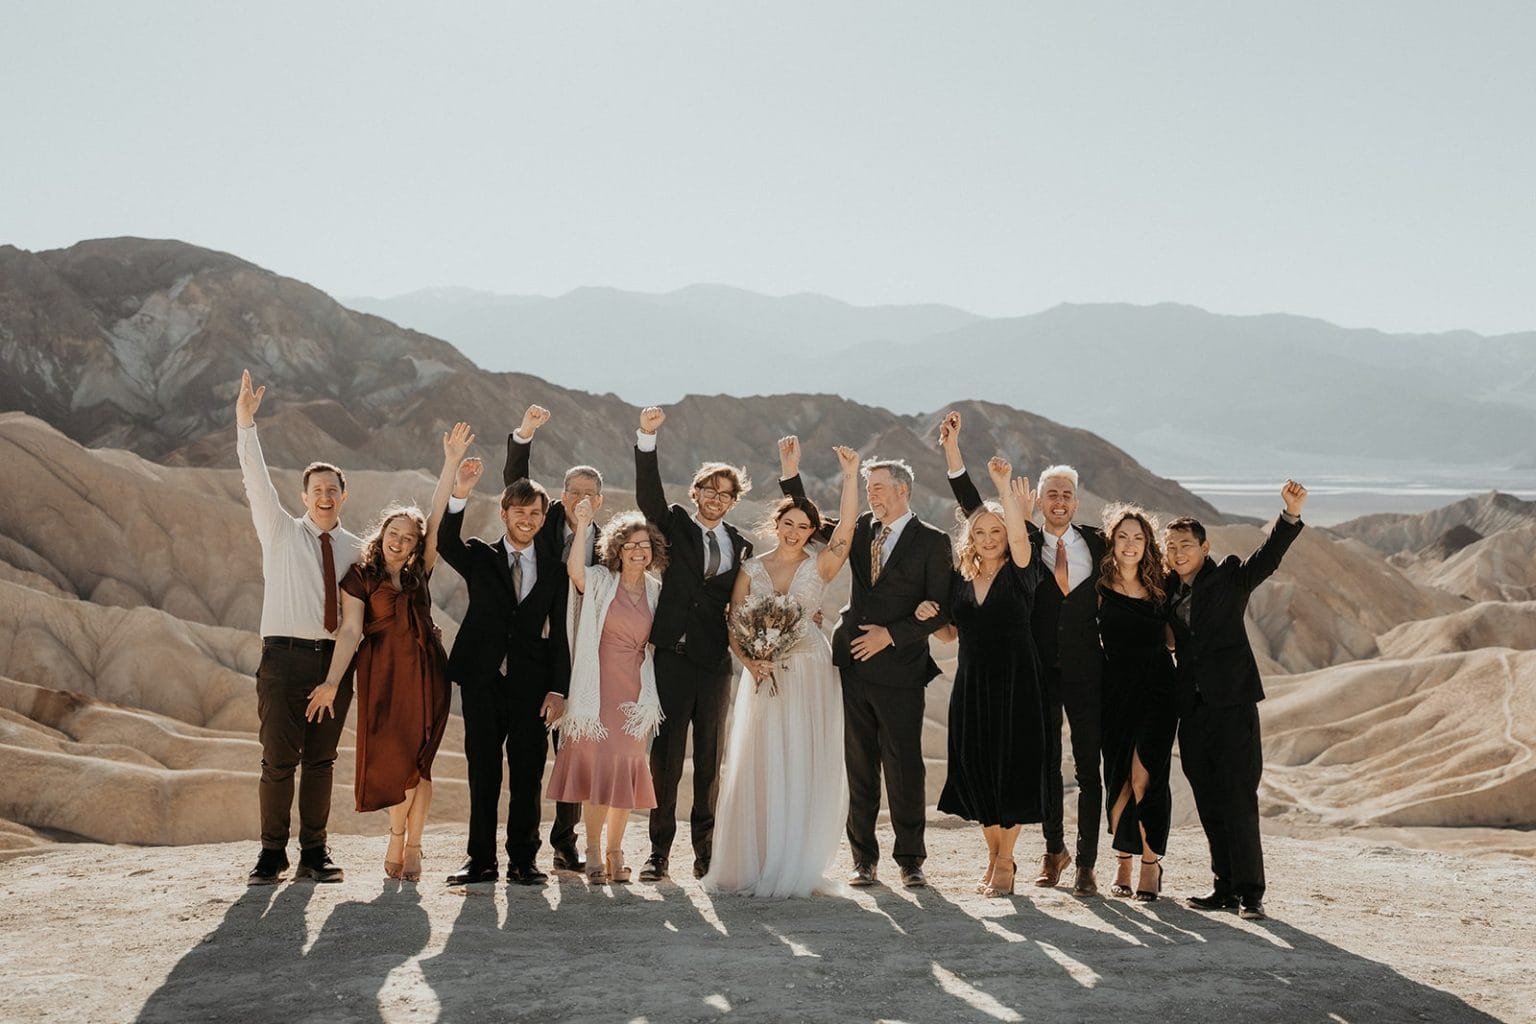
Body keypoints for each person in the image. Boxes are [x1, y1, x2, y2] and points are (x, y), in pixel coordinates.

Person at [940, 410, 1108, 896]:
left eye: (1066, 494)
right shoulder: (1024, 542)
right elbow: (975, 509)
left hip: (1072, 669)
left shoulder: (1093, 543)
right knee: (1037, 767)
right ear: (1037, 502)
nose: (1057, 501)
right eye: (1050, 493)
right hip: (1023, 673)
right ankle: (1052, 852)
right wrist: (953, 452)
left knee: (1081, 768)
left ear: (1076, 501)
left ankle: (1084, 863)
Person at [779, 445, 952, 888]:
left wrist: (890, 635)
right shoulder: (858, 531)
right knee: (859, 765)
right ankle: (863, 860)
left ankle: (911, 859)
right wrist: (791, 473)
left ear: (902, 489)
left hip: (901, 669)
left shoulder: (933, 541)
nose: (870, 494)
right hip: (852, 664)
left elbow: (940, 609)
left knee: (904, 766)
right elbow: (812, 527)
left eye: (876, 487)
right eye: (867, 488)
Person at [302, 425, 467, 882]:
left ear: (416, 546)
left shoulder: (420, 574)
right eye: (395, 533)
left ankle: (413, 847)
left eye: (409, 538)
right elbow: (351, 630)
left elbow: (435, 520)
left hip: (427, 675)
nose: (400, 541)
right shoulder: (360, 576)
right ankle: (396, 837)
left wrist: (450, 463)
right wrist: (333, 682)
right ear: (383, 534)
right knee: (392, 762)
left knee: (421, 762)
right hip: (382, 677)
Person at [704, 441, 862, 897]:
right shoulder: (751, 567)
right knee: (762, 759)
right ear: (776, 525)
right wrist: (749, 660)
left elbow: (848, 527)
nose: (794, 532)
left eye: (804, 526)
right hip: (762, 672)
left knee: (802, 758)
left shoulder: (823, 564)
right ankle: (756, 858)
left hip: (811, 671)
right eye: (788, 524)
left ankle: (797, 860)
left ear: (813, 530)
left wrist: (851, 477)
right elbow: (733, 619)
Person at [235, 370, 363, 885]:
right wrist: (246, 423)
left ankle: (314, 852)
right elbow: (254, 481)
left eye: (333, 489)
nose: (325, 496)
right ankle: (272, 853)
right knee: (278, 760)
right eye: (316, 490)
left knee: (322, 761)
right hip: (284, 659)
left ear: (343, 495)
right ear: (304, 495)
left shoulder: (358, 549)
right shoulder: (281, 531)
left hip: (333, 663)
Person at [1166, 481, 1308, 922]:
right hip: (1191, 712)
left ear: (1204, 547)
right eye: (1170, 546)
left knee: (1237, 800)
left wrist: (1289, 516)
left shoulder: (1228, 576)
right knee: (1208, 800)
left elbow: (1267, 559)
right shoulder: (1166, 591)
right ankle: (1223, 887)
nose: (1176, 552)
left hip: (1232, 706)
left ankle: (1251, 893)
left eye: (1185, 545)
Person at [436, 455, 571, 886]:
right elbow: (443, 540)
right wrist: (460, 490)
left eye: (535, 513)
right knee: (484, 771)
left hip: (532, 686)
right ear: (504, 513)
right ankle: (480, 860)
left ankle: (523, 860)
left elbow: (562, 633)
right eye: (519, 512)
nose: (527, 520)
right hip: (482, 680)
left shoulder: (554, 570)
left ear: (544, 516)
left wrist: (558, 688)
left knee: (528, 773)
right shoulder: (480, 555)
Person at [633, 406, 754, 883]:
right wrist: (647, 438)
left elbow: (752, 593)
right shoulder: (676, 524)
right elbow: (649, 497)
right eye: (709, 489)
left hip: (714, 663)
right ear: (697, 491)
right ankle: (657, 853)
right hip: (672, 660)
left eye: (725, 494)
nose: (715, 499)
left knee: (709, 762)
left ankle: (706, 852)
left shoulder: (740, 544)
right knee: (665, 760)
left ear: (732, 501)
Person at [923, 457, 1045, 898]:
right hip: (972, 684)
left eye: (996, 532)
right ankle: (992, 854)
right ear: (969, 538)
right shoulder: (961, 579)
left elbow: (1019, 533)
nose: (990, 539)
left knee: (1009, 768)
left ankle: (1007, 860)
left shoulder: (1022, 570)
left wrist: (1003, 485)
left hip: (1016, 683)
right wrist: (929, 617)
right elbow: (950, 635)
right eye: (981, 532)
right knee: (976, 767)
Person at [503, 402, 604, 873]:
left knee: (572, 755)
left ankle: (565, 841)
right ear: (562, 496)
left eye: (590, 493)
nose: (582, 499)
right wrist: (525, 435)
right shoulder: (541, 528)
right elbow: (516, 487)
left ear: (599, 501)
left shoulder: (606, 543)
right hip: (533, 655)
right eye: (574, 491)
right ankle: (522, 849)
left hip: (579, 657)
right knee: (527, 759)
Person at [545, 502, 666, 884]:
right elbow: (574, 572)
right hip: (598, 686)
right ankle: (595, 849)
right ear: (617, 548)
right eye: (630, 544)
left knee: (626, 769)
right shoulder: (600, 579)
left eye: (644, 545)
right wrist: (581, 524)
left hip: (637, 692)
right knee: (601, 768)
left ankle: (617, 849)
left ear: (653, 550)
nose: (638, 551)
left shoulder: (655, 589)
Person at [1095, 504, 1178, 901]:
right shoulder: (1097, 586)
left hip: (1159, 691)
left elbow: (1176, 638)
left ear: (1148, 544)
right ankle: (1121, 860)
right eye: (1123, 536)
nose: (1130, 544)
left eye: (1138, 537)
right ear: (1112, 541)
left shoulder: (1163, 585)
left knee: (1147, 779)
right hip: (1113, 694)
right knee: (1118, 779)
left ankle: (1149, 863)